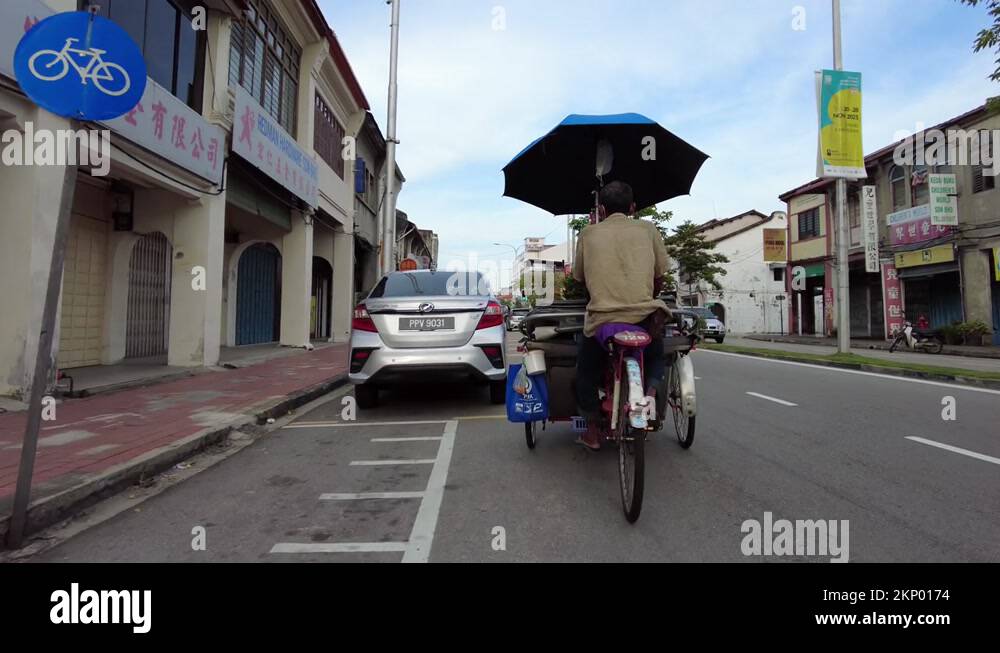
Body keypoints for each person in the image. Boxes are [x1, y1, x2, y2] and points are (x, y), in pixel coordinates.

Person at [572, 181, 670, 450]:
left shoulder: (588, 234)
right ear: (633, 208)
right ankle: (648, 397)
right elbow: (660, 275)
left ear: (601, 210)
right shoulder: (649, 229)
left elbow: (579, 278)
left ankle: (592, 430)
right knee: (655, 356)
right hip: (644, 316)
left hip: (601, 321)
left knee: (586, 370)